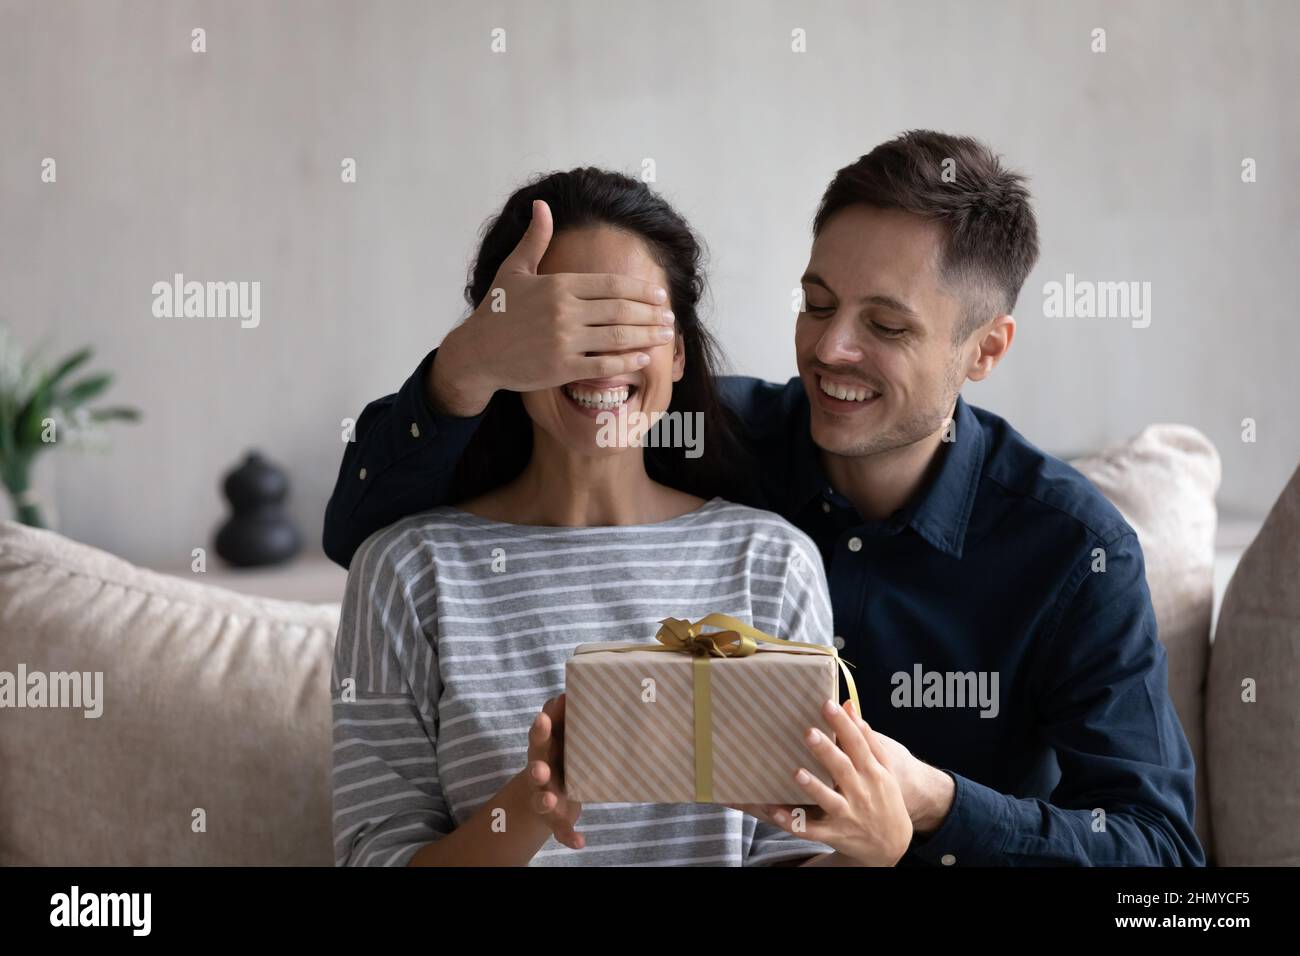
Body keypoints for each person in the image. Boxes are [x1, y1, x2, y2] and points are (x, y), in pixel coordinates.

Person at [325, 131, 1207, 866]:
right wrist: (470, 362)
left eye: (887, 326)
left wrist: (930, 807)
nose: (831, 350)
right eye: (816, 304)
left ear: (986, 349)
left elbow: (1163, 860)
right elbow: (372, 533)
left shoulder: (1071, 550)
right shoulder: (715, 433)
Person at [330, 167, 913, 867]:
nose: (602, 360)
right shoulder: (405, 569)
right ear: (503, 346)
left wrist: (876, 852)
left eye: (631, 323)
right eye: (569, 326)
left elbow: (786, 851)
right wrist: (534, 803)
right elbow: (375, 855)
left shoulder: (768, 561)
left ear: (676, 352)